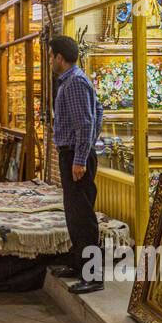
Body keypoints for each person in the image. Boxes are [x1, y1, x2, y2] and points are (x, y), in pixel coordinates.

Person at [48, 34, 104, 294]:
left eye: (50, 56)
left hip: (75, 156)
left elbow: (86, 122)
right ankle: (78, 262)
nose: (49, 61)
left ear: (60, 57)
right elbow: (98, 112)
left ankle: (93, 274)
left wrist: (81, 156)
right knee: (74, 213)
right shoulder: (72, 81)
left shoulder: (74, 84)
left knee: (83, 217)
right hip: (73, 154)